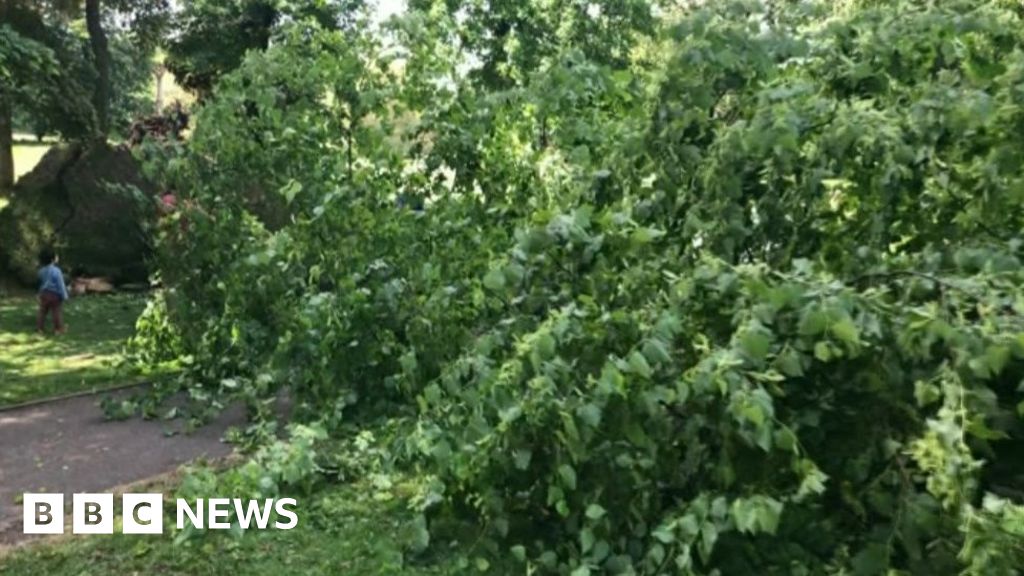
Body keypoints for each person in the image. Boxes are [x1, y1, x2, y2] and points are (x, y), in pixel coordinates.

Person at [37, 248, 68, 335]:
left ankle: (40, 329)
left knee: (42, 312)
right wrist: (64, 295)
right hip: (54, 294)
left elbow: (40, 282)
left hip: (44, 293)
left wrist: (39, 293)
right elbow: (60, 284)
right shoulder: (57, 271)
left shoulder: (41, 271)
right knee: (56, 311)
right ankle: (58, 329)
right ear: (52, 259)